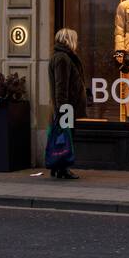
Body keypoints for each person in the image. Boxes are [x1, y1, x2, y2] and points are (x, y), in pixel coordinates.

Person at [49, 28, 86, 180]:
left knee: (62, 137)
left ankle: (58, 167)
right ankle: (63, 168)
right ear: (70, 40)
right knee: (65, 138)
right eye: (74, 39)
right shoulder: (63, 58)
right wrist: (62, 108)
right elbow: (61, 85)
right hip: (66, 106)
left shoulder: (62, 56)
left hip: (66, 106)